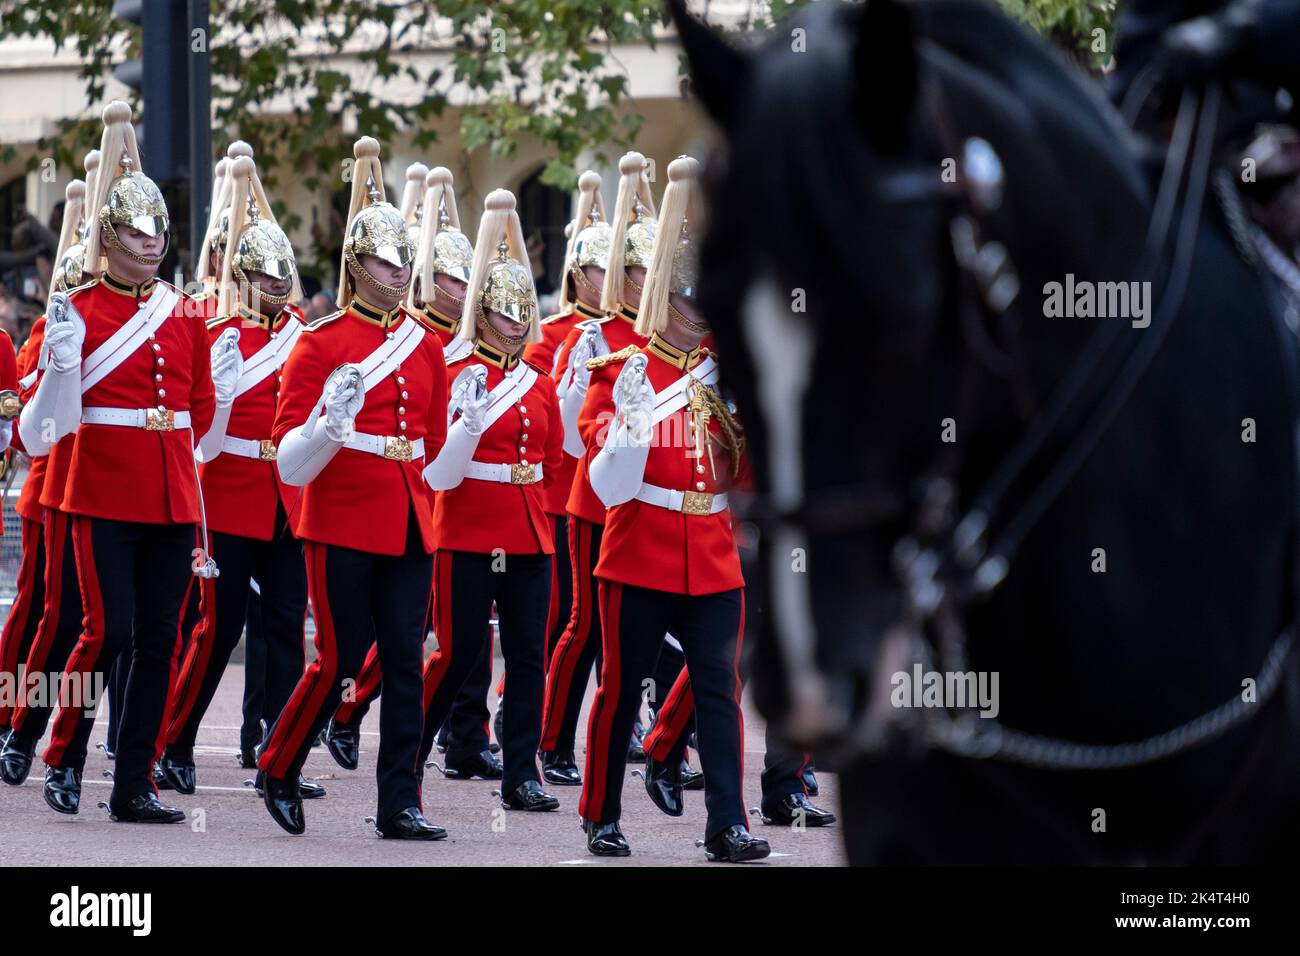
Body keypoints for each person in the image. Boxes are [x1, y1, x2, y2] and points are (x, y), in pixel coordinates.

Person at [9, 101, 214, 823]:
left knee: (160, 638)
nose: (150, 241)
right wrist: (62, 370)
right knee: (106, 632)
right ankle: (61, 753)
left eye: (156, 229)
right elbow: (43, 431)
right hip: (99, 489)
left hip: (169, 495)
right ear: (107, 235)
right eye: (134, 229)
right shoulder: (78, 308)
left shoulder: (184, 312)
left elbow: (199, 408)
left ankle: (134, 782)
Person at [256, 136, 448, 839]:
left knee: (404, 664)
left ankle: (400, 801)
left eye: (404, 262)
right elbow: (286, 456)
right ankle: (278, 764)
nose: (398, 274)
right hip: (339, 520)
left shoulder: (425, 345)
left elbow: (426, 445)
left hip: (407, 522)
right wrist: (329, 426)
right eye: (383, 261)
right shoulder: (320, 339)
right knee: (336, 660)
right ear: (355, 267)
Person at [576, 156, 768, 862]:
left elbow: (745, 474)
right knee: (624, 689)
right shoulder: (620, 370)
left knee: (719, 689)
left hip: (711, 549)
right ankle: (600, 812)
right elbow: (606, 484)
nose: (698, 316)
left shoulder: (729, 370)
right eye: (687, 302)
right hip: (639, 545)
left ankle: (727, 822)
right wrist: (628, 425)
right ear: (663, 298)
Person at [322, 165, 504, 781]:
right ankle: (338, 720)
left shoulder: (458, 343)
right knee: (374, 650)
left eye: (463, 275)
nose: (458, 286)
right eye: (446, 274)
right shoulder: (412, 339)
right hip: (389, 512)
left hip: (432, 509)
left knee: (430, 646)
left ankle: (441, 759)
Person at [154, 155, 318, 799]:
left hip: (286, 496)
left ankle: (278, 752)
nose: (276, 283)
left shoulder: (302, 333)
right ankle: (177, 742)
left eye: (282, 271)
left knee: (285, 625)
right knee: (215, 629)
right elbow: (199, 432)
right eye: (264, 273)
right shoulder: (212, 330)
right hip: (225, 495)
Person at [418, 188, 563, 812]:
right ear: (480, 313)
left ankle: (521, 773)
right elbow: (437, 459)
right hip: (470, 529)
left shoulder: (539, 382)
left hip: (528, 532)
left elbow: (554, 458)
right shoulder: (454, 373)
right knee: (456, 656)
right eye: (502, 311)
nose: (514, 321)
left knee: (530, 657)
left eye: (520, 311)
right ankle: (409, 761)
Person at [539, 152, 656, 784]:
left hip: (659, 502)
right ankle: (554, 742)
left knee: (642, 638)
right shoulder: (594, 333)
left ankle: (658, 742)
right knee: (584, 628)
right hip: (591, 498)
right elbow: (572, 433)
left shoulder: (672, 330)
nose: (642, 279)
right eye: (632, 269)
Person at [0, 175, 85, 748]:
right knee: (40, 611)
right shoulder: (40, 334)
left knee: (95, 625)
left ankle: (75, 728)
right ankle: (10, 710)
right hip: (52, 491)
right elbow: (27, 402)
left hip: (103, 493)